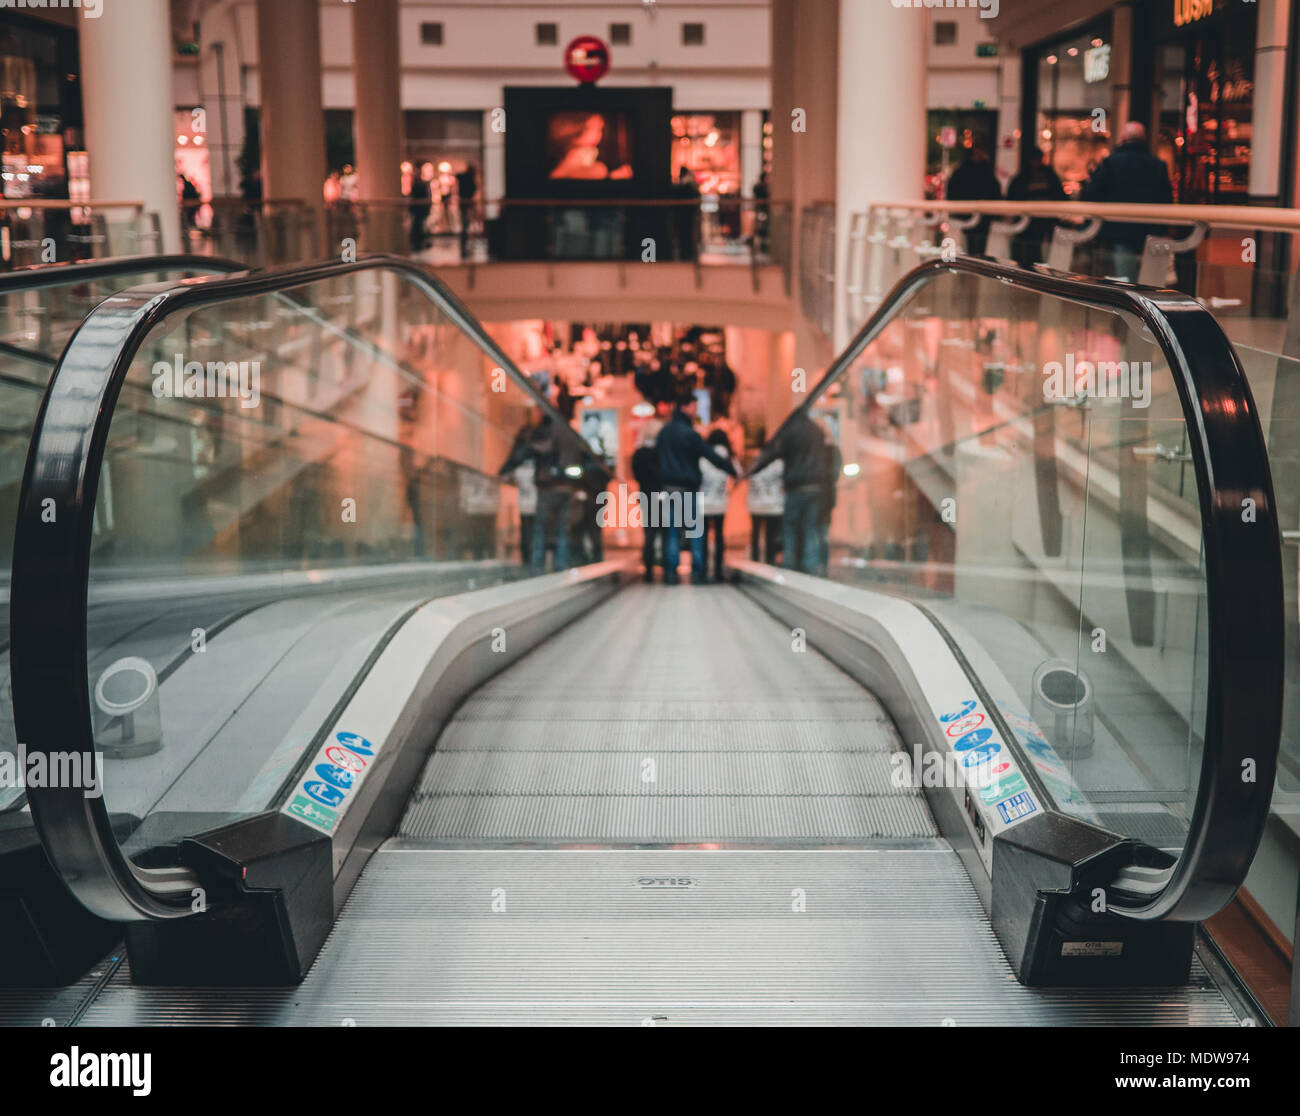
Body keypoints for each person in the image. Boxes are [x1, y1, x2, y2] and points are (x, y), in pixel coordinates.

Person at [655, 394, 737, 585]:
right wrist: (731, 469)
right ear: (685, 407)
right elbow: (709, 455)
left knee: (672, 531)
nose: (696, 411)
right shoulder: (690, 434)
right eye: (694, 406)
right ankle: (698, 572)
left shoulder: (664, 432)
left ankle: (671, 572)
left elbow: (656, 458)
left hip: (668, 487)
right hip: (688, 487)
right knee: (695, 530)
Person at [1079, 121, 1173, 281]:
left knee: (1125, 280)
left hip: (1118, 230)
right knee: (1150, 282)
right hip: (1150, 232)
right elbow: (1167, 199)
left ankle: (1128, 304)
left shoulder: (1110, 163)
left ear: (1122, 138)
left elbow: (1090, 194)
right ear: (1144, 138)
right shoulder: (1158, 165)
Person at [747, 409, 827, 575]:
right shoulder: (817, 432)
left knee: (790, 527)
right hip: (815, 486)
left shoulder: (792, 433)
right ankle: (810, 566)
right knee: (810, 527)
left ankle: (790, 564)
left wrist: (751, 470)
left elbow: (773, 454)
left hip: (796, 486)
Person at [1006, 144, 1066, 268]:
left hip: (1038, 222)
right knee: (1034, 252)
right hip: (1037, 223)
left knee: (1034, 252)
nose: (1037, 162)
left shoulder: (1024, 177)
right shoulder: (1048, 176)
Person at [498, 410, 542, 565]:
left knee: (528, 526)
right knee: (535, 526)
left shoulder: (520, 452)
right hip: (535, 494)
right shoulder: (538, 450)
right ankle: (533, 558)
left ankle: (528, 558)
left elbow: (505, 469)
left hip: (527, 495)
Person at [946, 143, 1002, 256]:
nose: (978, 156)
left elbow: (995, 190)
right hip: (966, 215)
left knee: (980, 244)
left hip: (983, 216)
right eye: (976, 154)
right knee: (967, 243)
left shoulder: (985, 171)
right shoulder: (963, 171)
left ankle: (977, 260)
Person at [698, 428, 735, 583]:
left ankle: (704, 570)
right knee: (719, 535)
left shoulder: (703, 456)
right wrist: (728, 490)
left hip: (704, 502)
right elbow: (737, 473)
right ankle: (718, 570)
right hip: (720, 502)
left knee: (704, 536)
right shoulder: (729, 456)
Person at [632, 419, 664, 581]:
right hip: (662, 495)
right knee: (665, 531)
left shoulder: (639, 454)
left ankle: (649, 568)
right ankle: (667, 568)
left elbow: (636, 475)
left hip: (645, 494)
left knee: (649, 532)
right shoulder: (662, 454)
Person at [747, 454, 784, 564]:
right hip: (772, 505)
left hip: (755, 504)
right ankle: (770, 561)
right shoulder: (778, 464)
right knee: (770, 535)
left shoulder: (753, 463)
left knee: (755, 534)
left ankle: (755, 560)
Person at [816, 421, 842, 577]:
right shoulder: (834, 451)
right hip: (827, 496)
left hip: (816, 494)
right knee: (824, 532)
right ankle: (823, 565)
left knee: (814, 531)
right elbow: (836, 473)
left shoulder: (815, 450)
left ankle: (816, 564)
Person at [409, 162, 433, 253]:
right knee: (417, 227)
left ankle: (419, 244)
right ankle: (417, 244)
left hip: (420, 210)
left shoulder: (421, 184)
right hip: (419, 210)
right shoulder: (419, 184)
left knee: (419, 227)